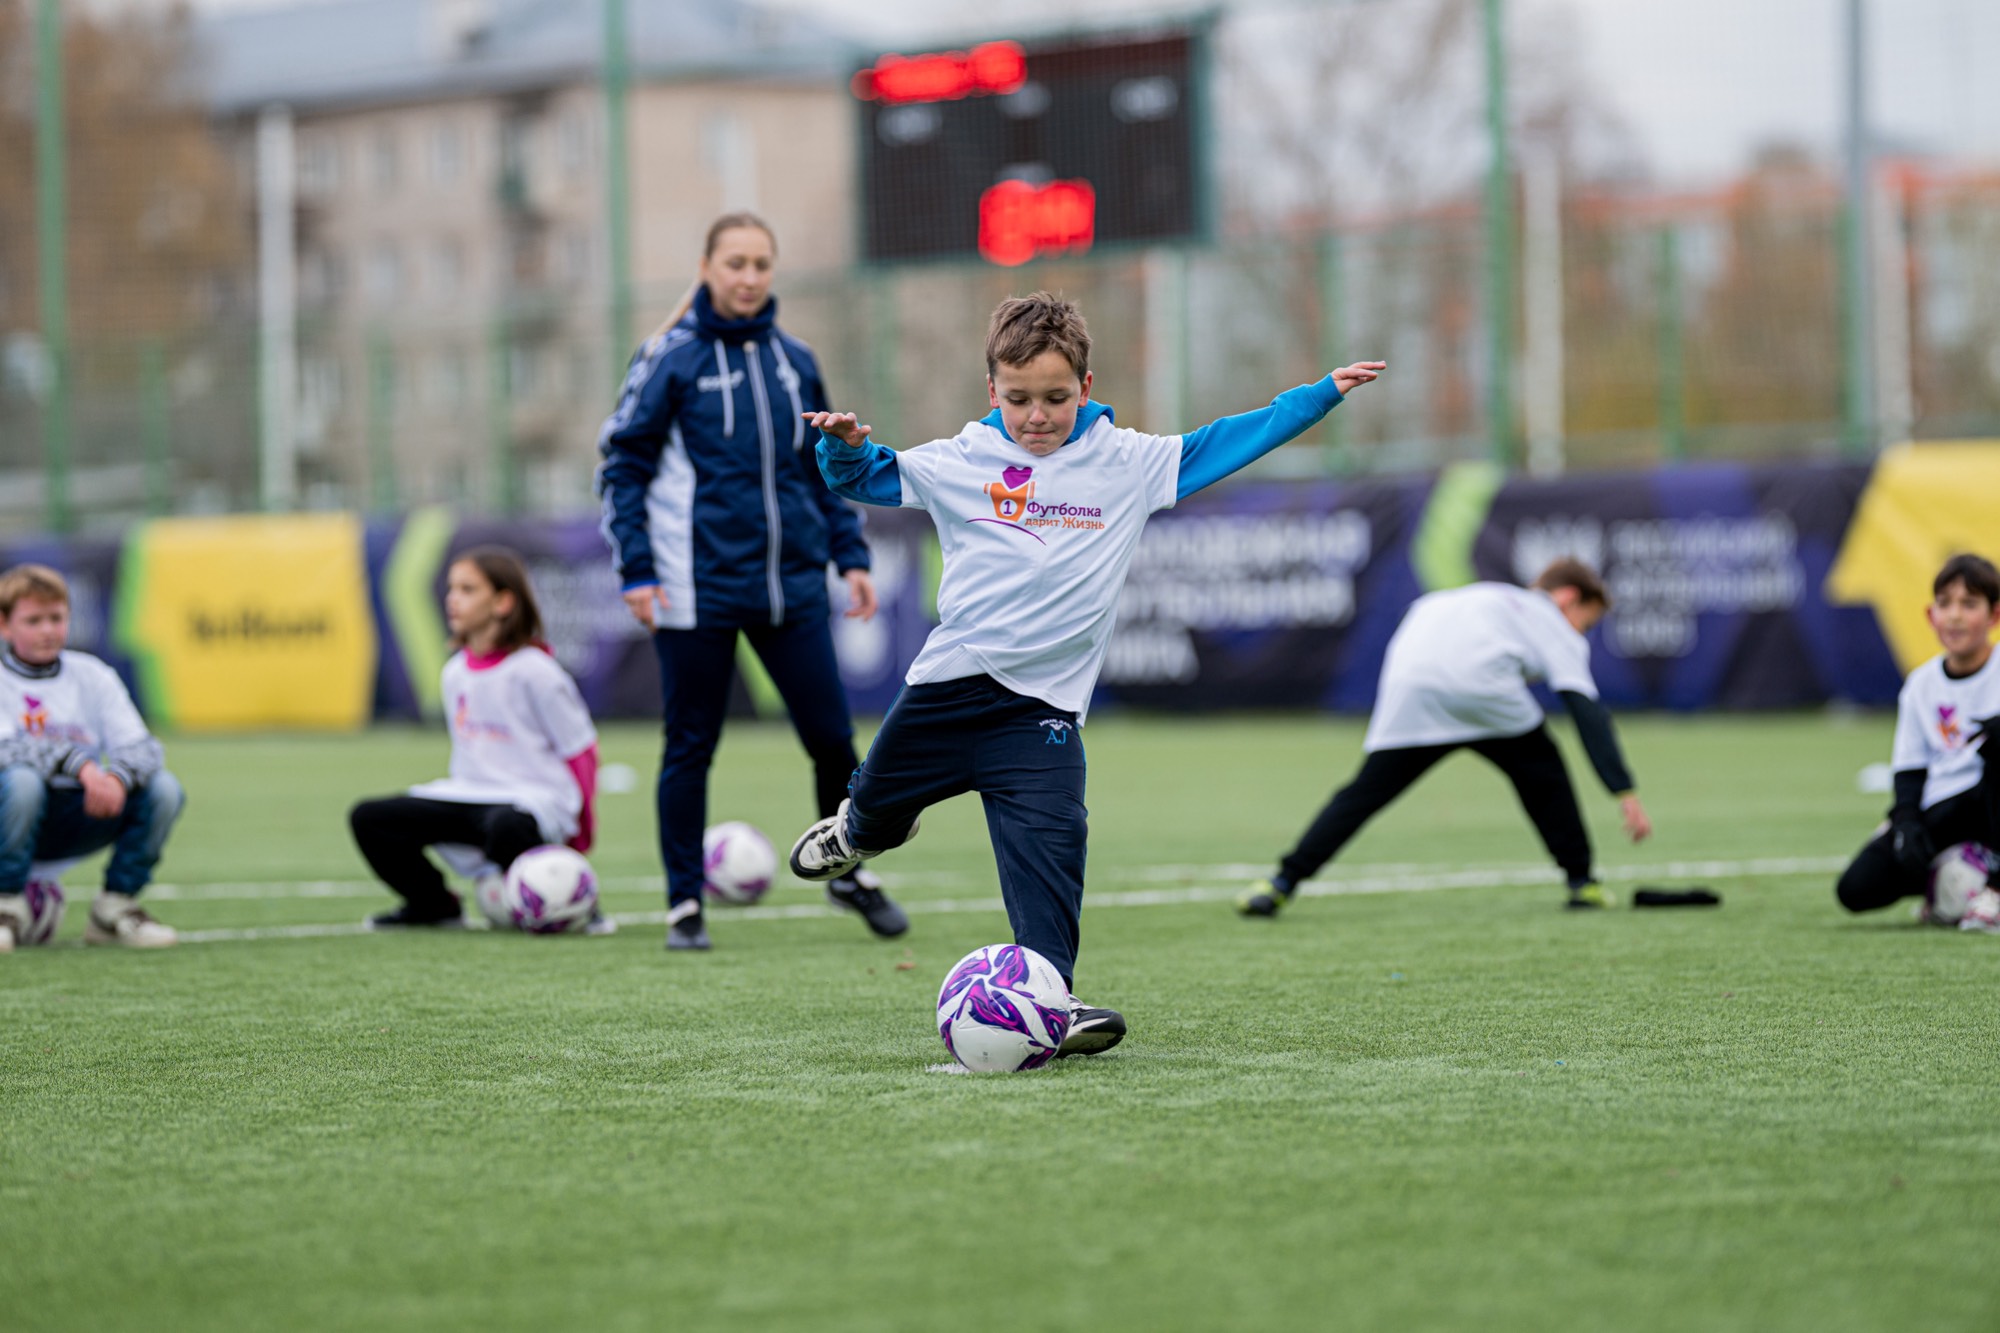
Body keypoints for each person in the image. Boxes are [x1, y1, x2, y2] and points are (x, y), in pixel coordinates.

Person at [787, 290, 1385, 1055]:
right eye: (1019, 398)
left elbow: (1230, 440)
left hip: (1040, 714)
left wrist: (1317, 397)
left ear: (1088, 388)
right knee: (872, 808)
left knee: (1055, 851)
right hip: (946, 691)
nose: (1037, 415)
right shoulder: (962, 459)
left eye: (1056, 398)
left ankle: (1049, 1002)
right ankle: (858, 830)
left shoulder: (1129, 463)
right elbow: (863, 478)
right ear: (992, 391)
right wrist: (838, 446)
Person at [596, 212, 906, 953]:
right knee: (691, 744)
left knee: (833, 739)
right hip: (692, 587)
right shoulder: (667, 359)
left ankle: (847, 871)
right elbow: (622, 467)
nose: (748, 277)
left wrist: (850, 555)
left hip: (791, 584)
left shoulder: (795, 361)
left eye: (761, 263)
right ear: (705, 267)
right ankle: (683, 903)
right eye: (734, 262)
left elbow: (824, 466)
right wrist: (636, 566)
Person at [1237, 558, 1652, 918]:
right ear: (1566, 598)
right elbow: (1586, 710)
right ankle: (1582, 883)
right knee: (1545, 772)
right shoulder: (1547, 618)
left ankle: (1281, 883)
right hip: (1484, 690)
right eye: (1587, 622)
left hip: (1411, 688)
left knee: (1361, 795)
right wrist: (1624, 792)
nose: (1582, 634)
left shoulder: (1466, 597)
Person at [350, 547, 607, 933]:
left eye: (468, 589)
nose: (453, 598)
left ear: (504, 602)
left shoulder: (537, 672)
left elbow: (582, 751)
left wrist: (580, 833)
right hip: (470, 795)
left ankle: (569, 895)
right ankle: (434, 905)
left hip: (531, 803)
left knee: (507, 827)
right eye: (452, 588)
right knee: (371, 818)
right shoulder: (454, 672)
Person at [0, 563, 184, 951]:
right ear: (4, 625)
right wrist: (82, 765)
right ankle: (7, 905)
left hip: (80, 811)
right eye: (33, 620)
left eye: (56, 617)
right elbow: (7, 749)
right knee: (21, 780)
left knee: (164, 789)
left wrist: (115, 776)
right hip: (13, 811)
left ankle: (115, 908)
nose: (48, 630)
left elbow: (145, 748)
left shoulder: (92, 675)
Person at [1835, 553, 2000, 919]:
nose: (1955, 615)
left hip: (1988, 798)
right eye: (1945, 604)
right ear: (1931, 616)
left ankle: (1995, 888)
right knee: (1857, 888)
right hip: (1946, 804)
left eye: (1969, 604)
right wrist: (1906, 822)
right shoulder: (1920, 685)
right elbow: (1909, 768)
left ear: (1994, 616)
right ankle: (1945, 881)